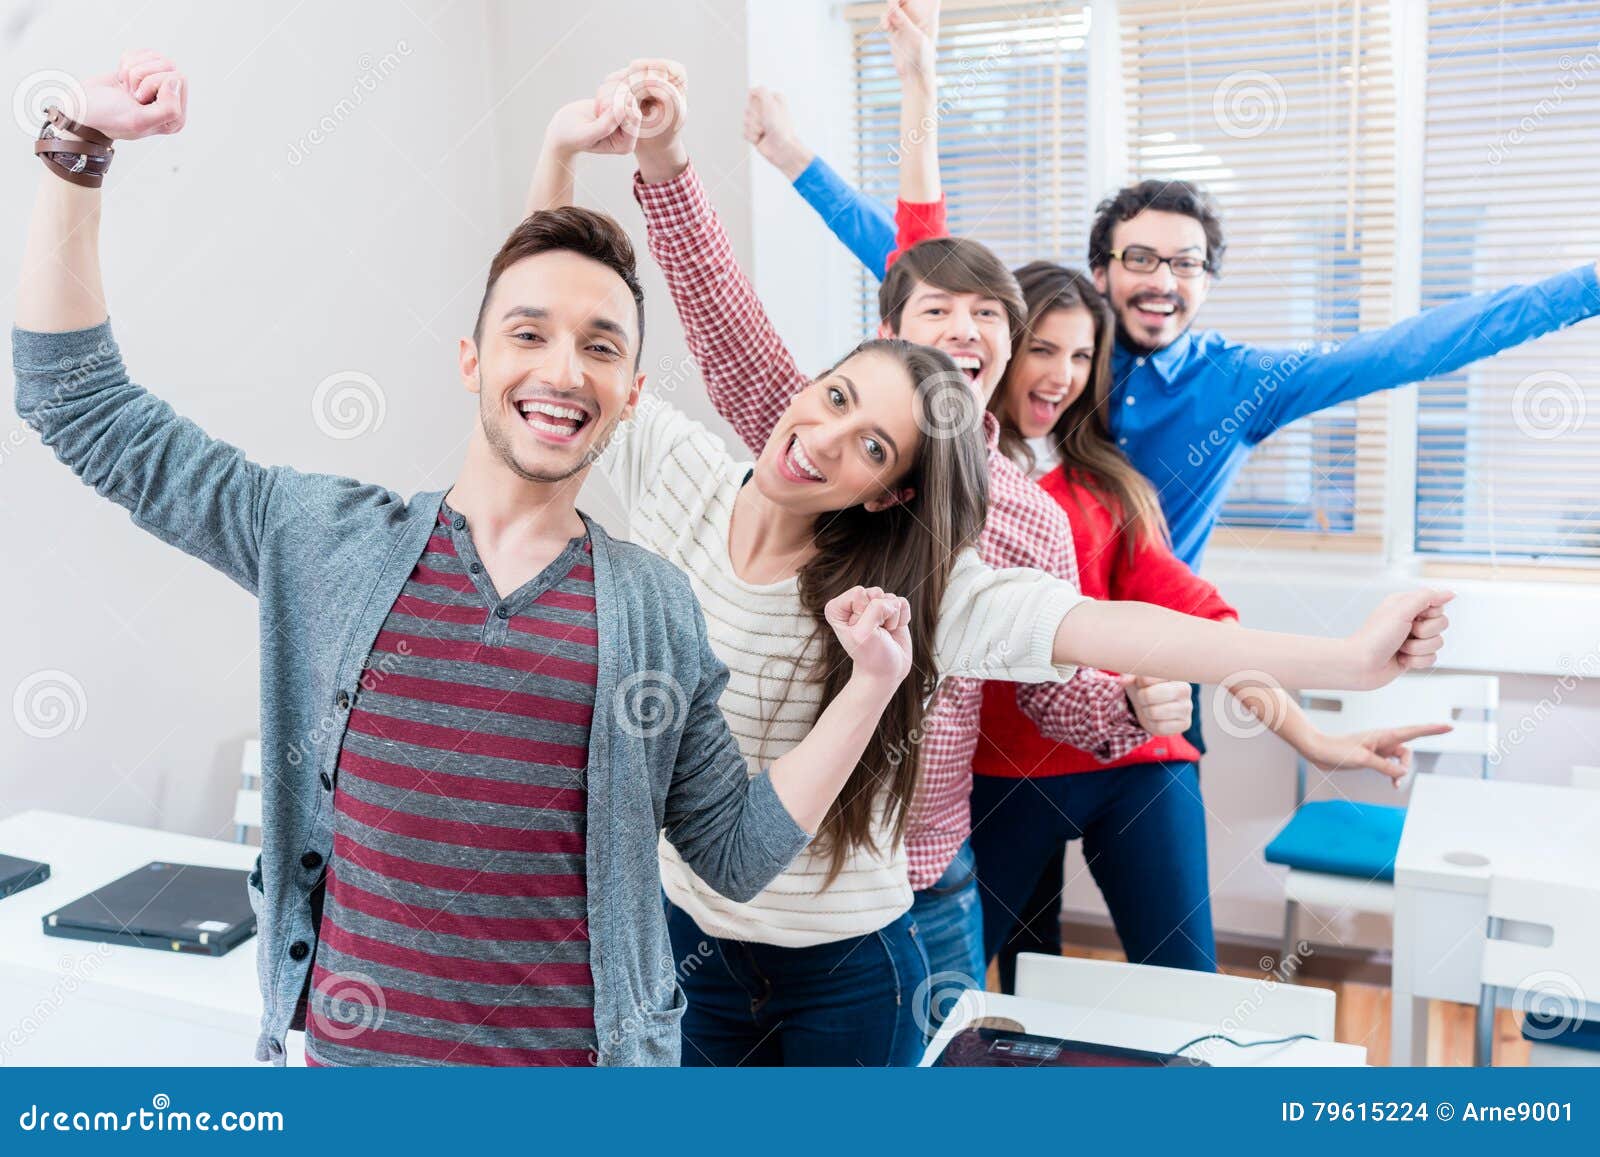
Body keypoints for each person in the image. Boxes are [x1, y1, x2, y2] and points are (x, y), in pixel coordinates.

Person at [533, 59, 1451, 1066]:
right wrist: (662, 155)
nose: (963, 332)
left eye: (991, 323)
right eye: (935, 314)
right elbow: (702, 302)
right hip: (706, 912)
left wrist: (1191, 698)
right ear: (880, 338)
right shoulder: (762, 451)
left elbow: (1106, 634)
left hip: (906, 881)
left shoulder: (988, 542)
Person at [14, 50, 920, 1068]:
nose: (561, 368)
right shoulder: (321, 542)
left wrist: (870, 683)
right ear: (472, 360)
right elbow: (77, 403)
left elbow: (736, 850)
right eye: (527, 332)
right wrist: (74, 149)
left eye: (601, 346)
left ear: (628, 394)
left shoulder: (652, 607)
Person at [969, 261, 1452, 980]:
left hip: (1136, 764)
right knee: (944, 987)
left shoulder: (1108, 489)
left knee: (1185, 987)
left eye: (1080, 355)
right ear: (1001, 348)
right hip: (1001, 769)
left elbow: (1206, 624)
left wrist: (1314, 737)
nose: (1062, 375)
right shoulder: (957, 480)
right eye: (1043, 349)